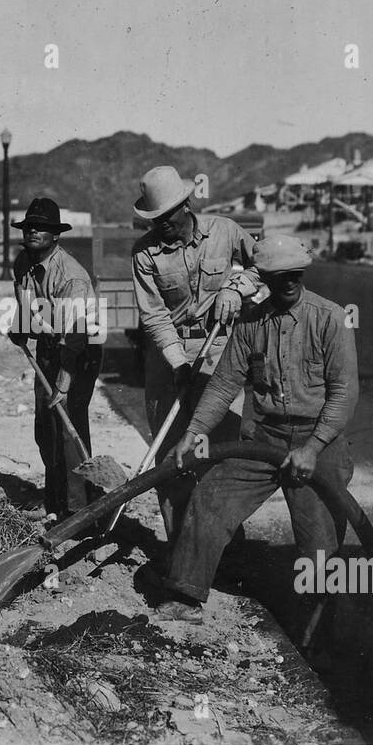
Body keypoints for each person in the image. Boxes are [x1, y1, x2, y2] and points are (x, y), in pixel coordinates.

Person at [156, 235, 358, 624]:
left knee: (319, 546)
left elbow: (344, 394)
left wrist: (313, 448)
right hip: (264, 439)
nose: (287, 282)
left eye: (294, 274)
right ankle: (186, 595)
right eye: (277, 276)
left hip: (319, 440)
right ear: (263, 276)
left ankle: (325, 630)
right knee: (210, 498)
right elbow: (223, 384)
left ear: (302, 272)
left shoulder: (330, 317)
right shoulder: (251, 322)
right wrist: (194, 432)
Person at [131, 165, 257, 538]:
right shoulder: (144, 254)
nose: (161, 225)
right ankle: (179, 548)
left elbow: (262, 263)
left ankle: (224, 545)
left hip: (220, 350)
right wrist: (178, 363)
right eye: (154, 219)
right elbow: (153, 315)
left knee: (218, 450)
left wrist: (238, 288)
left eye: (167, 215)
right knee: (171, 451)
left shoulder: (225, 231)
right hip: (169, 353)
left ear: (185, 205)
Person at [7, 197, 102, 520]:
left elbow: (75, 336)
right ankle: (55, 499)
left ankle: (80, 509)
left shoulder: (71, 275)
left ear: (56, 235)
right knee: (45, 427)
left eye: (42, 227)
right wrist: (20, 327)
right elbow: (28, 307)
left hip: (79, 351)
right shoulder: (21, 263)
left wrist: (64, 381)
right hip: (49, 348)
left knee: (68, 426)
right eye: (30, 226)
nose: (33, 231)